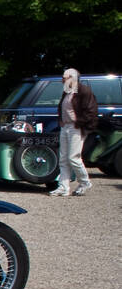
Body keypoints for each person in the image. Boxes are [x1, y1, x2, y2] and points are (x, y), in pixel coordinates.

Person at [50, 68, 98, 196]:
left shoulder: (84, 91)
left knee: (73, 157)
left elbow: (91, 112)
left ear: (73, 78)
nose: (62, 80)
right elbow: (62, 107)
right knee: (63, 158)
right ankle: (63, 187)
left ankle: (84, 182)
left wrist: (79, 123)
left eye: (64, 78)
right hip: (65, 127)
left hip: (76, 127)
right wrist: (61, 120)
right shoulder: (67, 91)